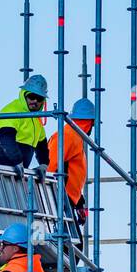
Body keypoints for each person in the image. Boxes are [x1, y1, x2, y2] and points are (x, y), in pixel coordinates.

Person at [0, 75, 50, 172]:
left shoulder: (36, 120)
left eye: (39, 98)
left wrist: (44, 164)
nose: (35, 101)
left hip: (17, 169)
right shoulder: (12, 110)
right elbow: (6, 137)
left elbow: (42, 146)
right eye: (32, 97)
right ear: (24, 95)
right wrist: (17, 161)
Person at [47, 97, 95, 227]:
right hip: (60, 196)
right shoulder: (68, 135)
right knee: (71, 243)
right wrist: (50, 192)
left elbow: (73, 173)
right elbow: (51, 166)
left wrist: (80, 203)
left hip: (67, 198)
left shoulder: (75, 137)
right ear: (90, 122)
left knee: (74, 243)